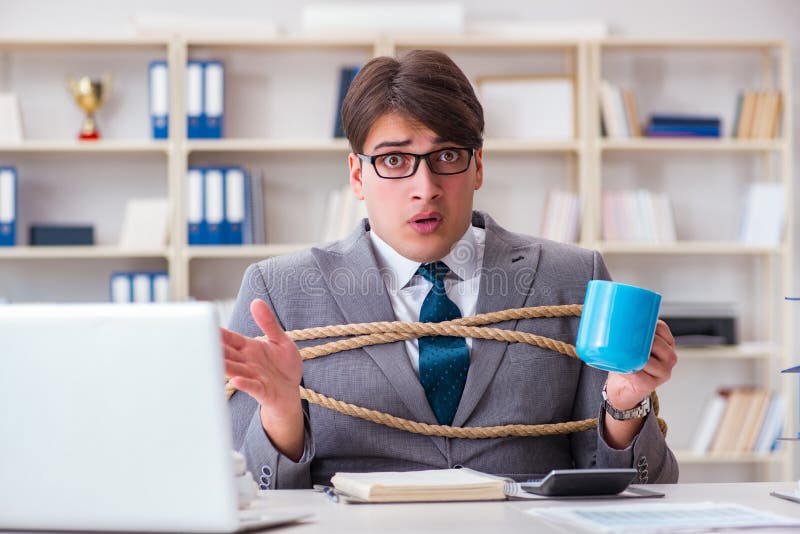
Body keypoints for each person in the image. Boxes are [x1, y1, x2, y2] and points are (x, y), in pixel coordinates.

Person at [223, 49, 679, 489]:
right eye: (394, 160)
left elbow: (641, 487)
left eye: (446, 157)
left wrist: (624, 406)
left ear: (477, 166)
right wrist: (281, 416)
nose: (426, 188)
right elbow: (239, 490)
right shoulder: (279, 292)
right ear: (358, 175)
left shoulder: (572, 277)